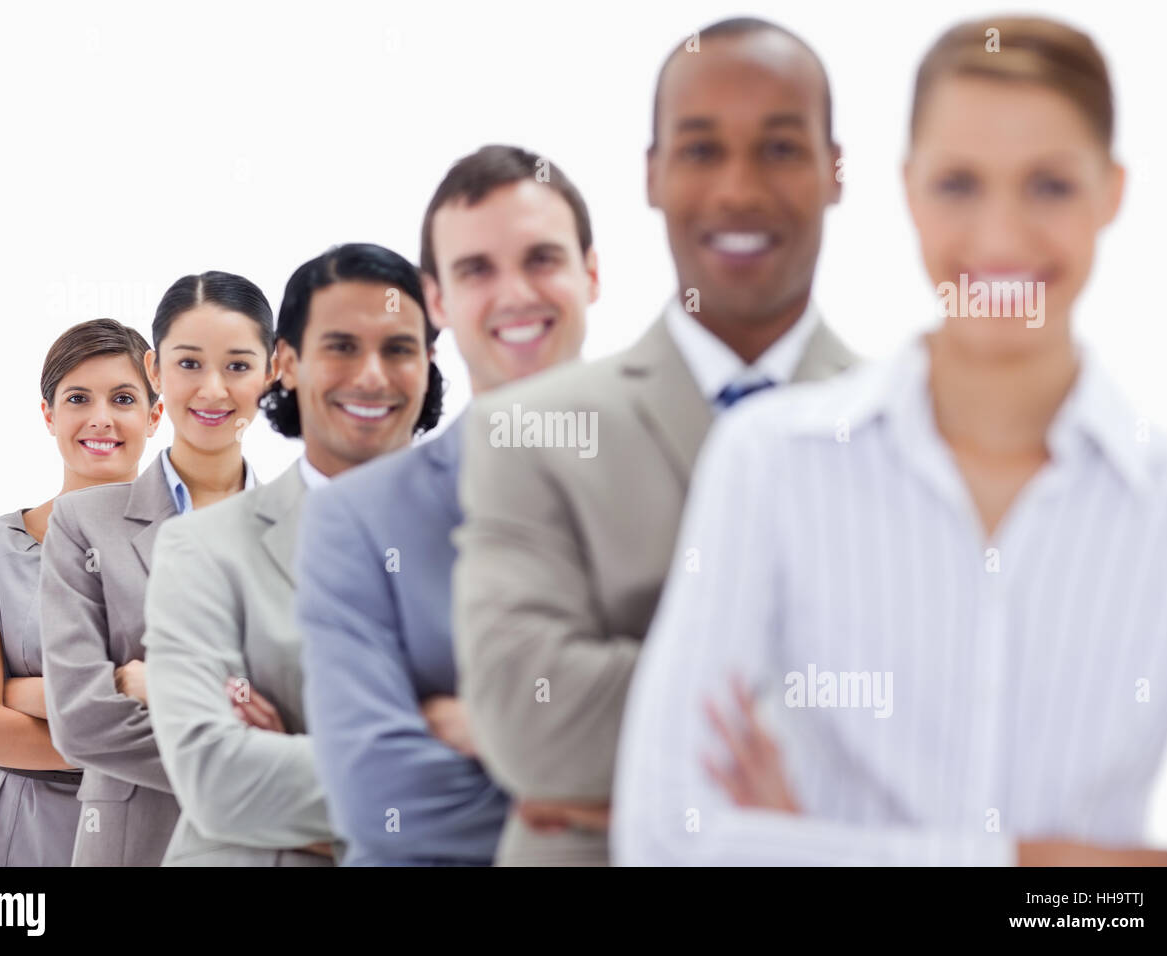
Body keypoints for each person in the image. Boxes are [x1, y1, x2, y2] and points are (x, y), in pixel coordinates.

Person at [613, 16, 1167, 867]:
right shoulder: (771, 461)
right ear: (910, 191)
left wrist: (816, 852)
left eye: (1050, 186)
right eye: (960, 184)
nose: (1000, 237)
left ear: (1111, 193)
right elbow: (664, 838)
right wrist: (1047, 870)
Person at [451, 18, 857, 866]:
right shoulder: (526, 431)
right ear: (655, 175)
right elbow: (531, 725)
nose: (739, 188)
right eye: (703, 150)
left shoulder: (916, 425)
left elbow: (969, 722)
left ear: (834, 172)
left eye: (780, 149)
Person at [298, 145, 596, 865]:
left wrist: (484, 732)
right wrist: (614, 792)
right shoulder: (356, 521)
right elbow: (383, 800)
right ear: (437, 301)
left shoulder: (692, 472)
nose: (516, 294)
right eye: (477, 270)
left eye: (543, 260)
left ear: (592, 272)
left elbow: (744, 752)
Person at [142, 243, 442, 865]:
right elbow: (216, 780)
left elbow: (552, 764)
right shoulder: (203, 547)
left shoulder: (493, 538)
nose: (370, 376)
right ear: (287, 363)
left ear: (429, 362)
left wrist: (295, 767)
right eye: (341, 346)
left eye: (398, 348)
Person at [39, 271, 273, 866]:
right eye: (189, 364)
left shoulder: (318, 526)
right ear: (156, 372)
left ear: (273, 373)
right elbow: (81, 719)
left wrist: (154, 685)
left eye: (239, 365)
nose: (213, 390)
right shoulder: (84, 522)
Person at [0, 319, 160, 866]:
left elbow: (195, 725)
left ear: (155, 416)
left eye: (124, 398)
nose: (101, 418)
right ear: (49, 414)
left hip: (151, 835)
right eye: (78, 398)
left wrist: (18, 692)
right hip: (24, 844)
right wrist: (114, 703)